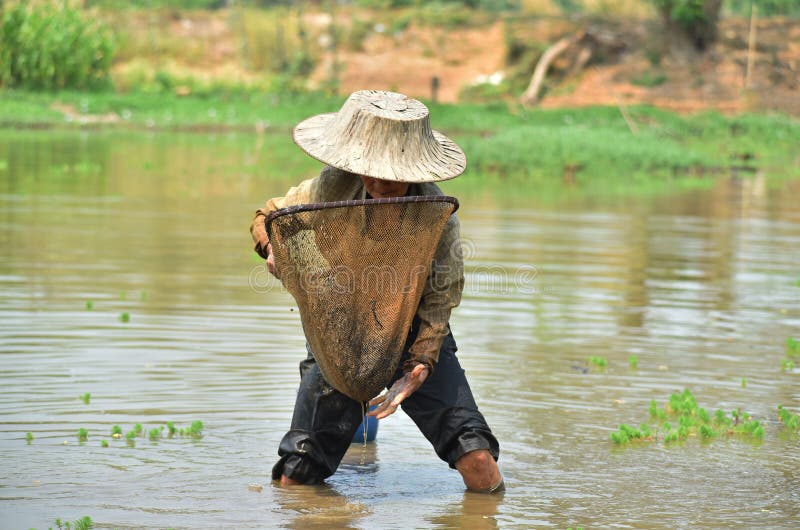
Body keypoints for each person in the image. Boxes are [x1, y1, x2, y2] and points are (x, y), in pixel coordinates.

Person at [250, 90, 503, 493]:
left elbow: (441, 298)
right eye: (370, 171)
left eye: (394, 175)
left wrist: (420, 364)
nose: (381, 183)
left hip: (412, 329)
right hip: (340, 333)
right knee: (296, 474)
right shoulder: (331, 187)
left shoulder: (436, 214)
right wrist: (271, 248)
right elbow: (268, 215)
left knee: (476, 458)